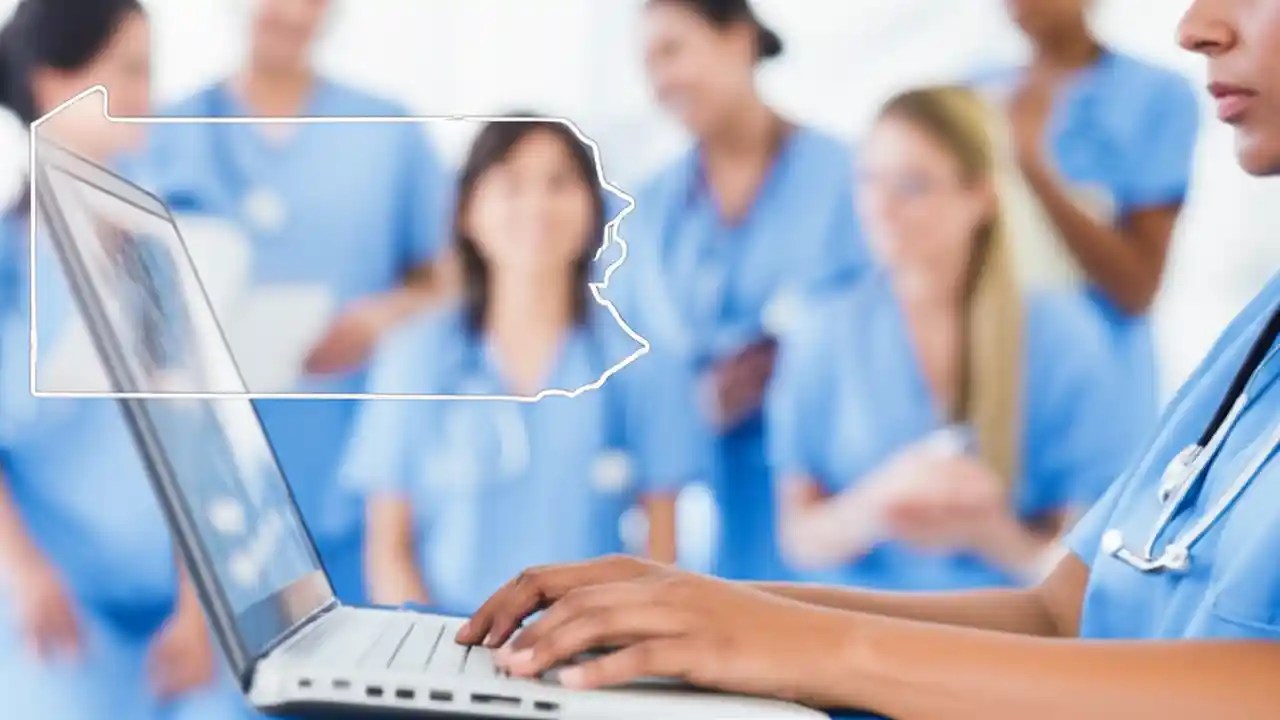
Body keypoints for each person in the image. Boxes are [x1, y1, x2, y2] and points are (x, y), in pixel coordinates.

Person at [454, 2, 1280, 716]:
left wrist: (815, 649)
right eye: (872, 184)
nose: (1194, 26)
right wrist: (706, 606)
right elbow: (1068, 611)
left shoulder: (1063, 338)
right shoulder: (1254, 335)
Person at [147, 0, 452, 604]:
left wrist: (380, 317)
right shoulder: (166, 130)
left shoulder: (385, 130)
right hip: (209, 473)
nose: (287, 10)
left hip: (356, 464)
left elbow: (451, 274)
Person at [767, 86, 1127, 592]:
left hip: (1000, 640)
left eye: (913, 186)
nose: (880, 207)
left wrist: (986, 531)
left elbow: (1082, 575)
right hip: (855, 631)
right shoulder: (823, 330)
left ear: (980, 195)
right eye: (869, 180)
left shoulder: (1061, 338)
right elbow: (799, 537)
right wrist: (881, 502)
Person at [341, 120, 705, 614]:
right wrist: (436, 661)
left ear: (594, 211)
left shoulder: (640, 362)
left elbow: (662, 556)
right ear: (467, 210)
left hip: (588, 657)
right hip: (440, 650)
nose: (537, 205)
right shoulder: (414, 356)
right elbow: (388, 549)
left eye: (559, 183)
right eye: (511, 184)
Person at [0, 1, 244, 718]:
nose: (148, 96)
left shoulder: (166, 244)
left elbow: (203, 436)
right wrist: (26, 575)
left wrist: (202, 608)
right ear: (51, 83)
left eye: (149, 71)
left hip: (182, 602)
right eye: (126, 72)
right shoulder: (10, 262)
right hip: (53, 604)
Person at [617, 0, 868, 581]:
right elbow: (635, 364)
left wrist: (781, 365)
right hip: (701, 517)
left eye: (671, 51)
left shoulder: (852, 179)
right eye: (647, 64)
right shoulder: (650, 208)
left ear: (739, 40)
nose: (660, 81)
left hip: (832, 510)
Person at [974, 0, 1202, 457]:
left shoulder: (1156, 96)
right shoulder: (971, 92)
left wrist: (1032, 166)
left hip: (1102, 384)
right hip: (988, 377)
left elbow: (1136, 286)